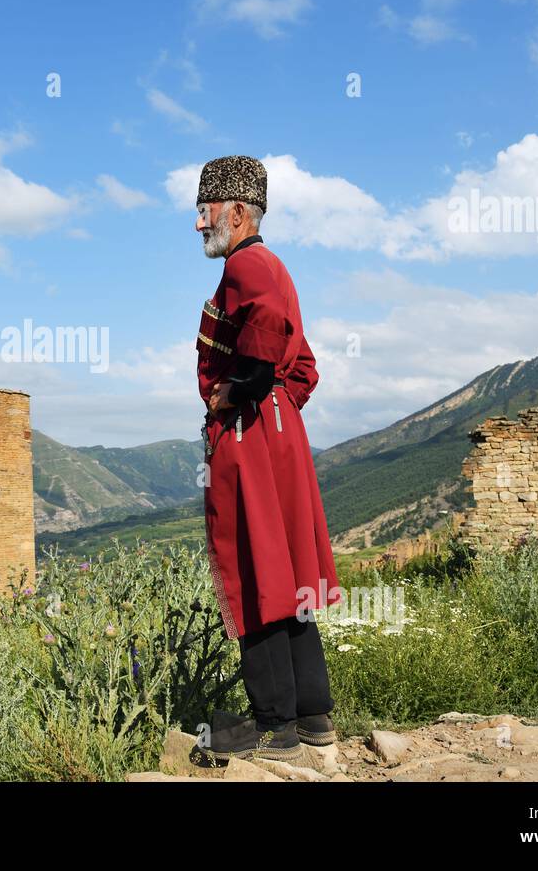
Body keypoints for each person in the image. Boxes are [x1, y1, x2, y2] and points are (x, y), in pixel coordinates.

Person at [192, 154, 341, 763]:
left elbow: (265, 341)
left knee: (254, 570)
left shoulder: (247, 266)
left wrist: (244, 390)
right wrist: (279, 405)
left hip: (252, 436)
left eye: (204, 211)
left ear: (235, 211)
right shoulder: (275, 267)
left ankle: (274, 727)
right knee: (287, 574)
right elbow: (304, 369)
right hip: (278, 436)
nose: (199, 224)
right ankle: (313, 718)